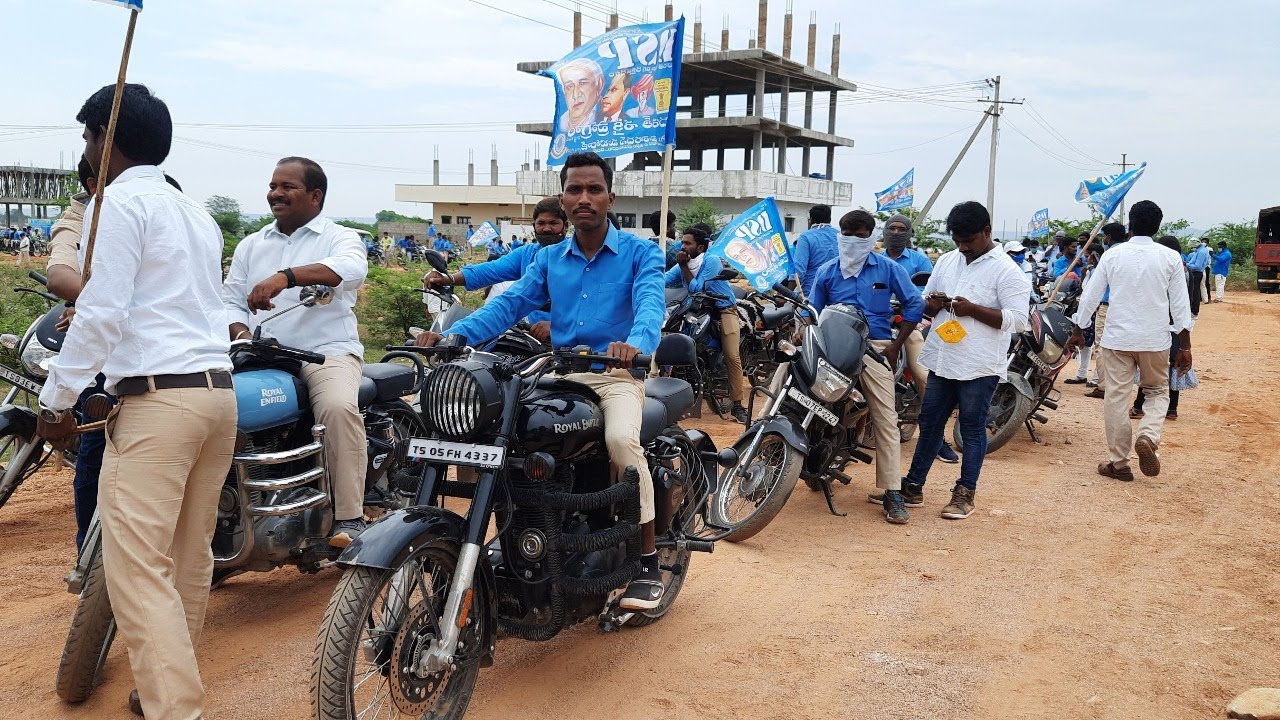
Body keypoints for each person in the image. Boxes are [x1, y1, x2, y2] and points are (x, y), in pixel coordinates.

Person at [35, 83, 237, 720]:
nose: (87, 153)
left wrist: (56, 402)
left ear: (106, 139)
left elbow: (98, 315)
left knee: (135, 570)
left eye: (89, 138)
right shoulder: (193, 211)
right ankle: (165, 691)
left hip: (157, 405)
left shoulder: (116, 205)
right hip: (216, 398)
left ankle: (175, 708)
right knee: (187, 556)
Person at [415, 152, 668, 611]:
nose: (584, 198)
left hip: (614, 375)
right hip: (557, 372)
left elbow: (651, 303)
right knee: (505, 435)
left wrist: (635, 343)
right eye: (575, 189)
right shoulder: (550, 258)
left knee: (620, 443)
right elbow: (507, 305)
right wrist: (454, 334)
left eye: (594, 189)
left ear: (611, 197)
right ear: (564, 198)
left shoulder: (641, 252)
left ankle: (647, 559)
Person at [222, 156, 370, 547]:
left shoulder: (341, 237)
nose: (276, 194)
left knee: (338, 409)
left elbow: (349, 271)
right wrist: (239, 333)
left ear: (315, 196)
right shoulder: (252, 244)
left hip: (325, 352)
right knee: (210, 404)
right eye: (273, 186)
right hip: (260, 354)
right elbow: (231, 300)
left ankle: (350, 518)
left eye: (287, 187)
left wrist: (284, 278)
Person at [895, 201, 1031, 520]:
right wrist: (934, 304)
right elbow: (929, 302)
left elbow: (1019, 320)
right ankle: (913, 486)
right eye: (957, 240)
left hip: (979, 364)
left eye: (968, 240)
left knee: (971, 428)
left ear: (986, 232)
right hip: (943, 357)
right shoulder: (947, 260)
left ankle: (964, 494)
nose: (963, 247)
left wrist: (973, 310)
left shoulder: (1007, 271)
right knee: (929, 424)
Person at [811, 210, 925, 524]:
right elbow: (811, 311)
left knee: (886, 417)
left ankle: (891, 492)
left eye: (861, 235)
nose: (853, 240)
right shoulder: (827, 271)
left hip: (873, 347)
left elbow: (915, 303)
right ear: (840, 234)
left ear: (871, 236)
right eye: (847, 233)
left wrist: (895, 345)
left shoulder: (888, 269)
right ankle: (760, 443)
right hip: (832, 343)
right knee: (788, 374)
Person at [1067, 201, 1193, 482]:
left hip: (1117, 338)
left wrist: (1078, 328)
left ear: (1129, 226)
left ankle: (1119, 463)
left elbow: (1090, 294)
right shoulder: (1170, 257)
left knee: (1116, 396)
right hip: (1156, 339)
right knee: (1157, 391)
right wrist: (1185, 345)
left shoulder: (1113, 255)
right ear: (1158, 227)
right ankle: (1147, 435)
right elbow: (1180, 306)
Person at [45, 154, 107, 550]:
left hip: (140, 366)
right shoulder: (78, 219)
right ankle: (88, 554)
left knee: (97, 452)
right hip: (116, 359)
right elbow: (60, 272)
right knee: (95, 452)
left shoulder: (147, 205)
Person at [424, 196, 566, 343]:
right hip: (535, 337)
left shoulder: (577, 258)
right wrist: (449, 337)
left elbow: (589, 310)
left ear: (566, 226)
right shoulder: (529, 255)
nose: (547, 228)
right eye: (541, 223)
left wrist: (559, 326)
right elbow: (497, 284)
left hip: (577, 346)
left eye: (553, 223)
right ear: (534, 226)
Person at [665, 225, 749, 423]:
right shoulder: (682, 264)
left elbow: (698, 286)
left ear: (700, 247)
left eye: (687, 243)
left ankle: (737, 405)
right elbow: (664, 280)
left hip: (723, 309)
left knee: (731, 355)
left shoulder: (710, 261)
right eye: (682, 242)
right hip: (696, 308)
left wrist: (684, 267)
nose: (682, 246)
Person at [1131, 234, 1192, 422]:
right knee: (1175, 364)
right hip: (1178, 326)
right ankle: (1172, 408)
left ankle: (1139, 405)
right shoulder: (1184, 270)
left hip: (1161, 324)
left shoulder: (1163, 270)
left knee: (1152, 367)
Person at [792, 204, 838, 297]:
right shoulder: (840, 235)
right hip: (837, 290)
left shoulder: (805, 237)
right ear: (830, 218)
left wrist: (786, 292)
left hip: (812, 292)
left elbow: (799, 269)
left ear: (811, 219)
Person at [556, 58, 604, 133]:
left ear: (600, 84)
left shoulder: (606, 116)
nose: (575, 95)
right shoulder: (561, 122)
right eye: (569, 86)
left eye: (582, 83)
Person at [1184, 237, 1210, 317]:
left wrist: (1186, 264)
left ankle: (1194, 311)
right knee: (1194, 291)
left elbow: (1197, 266)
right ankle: (1193, 310)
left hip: (1197, 273)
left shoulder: (1201, 252)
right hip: (1195, 272)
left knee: (1194, 292)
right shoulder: (1200, 250)